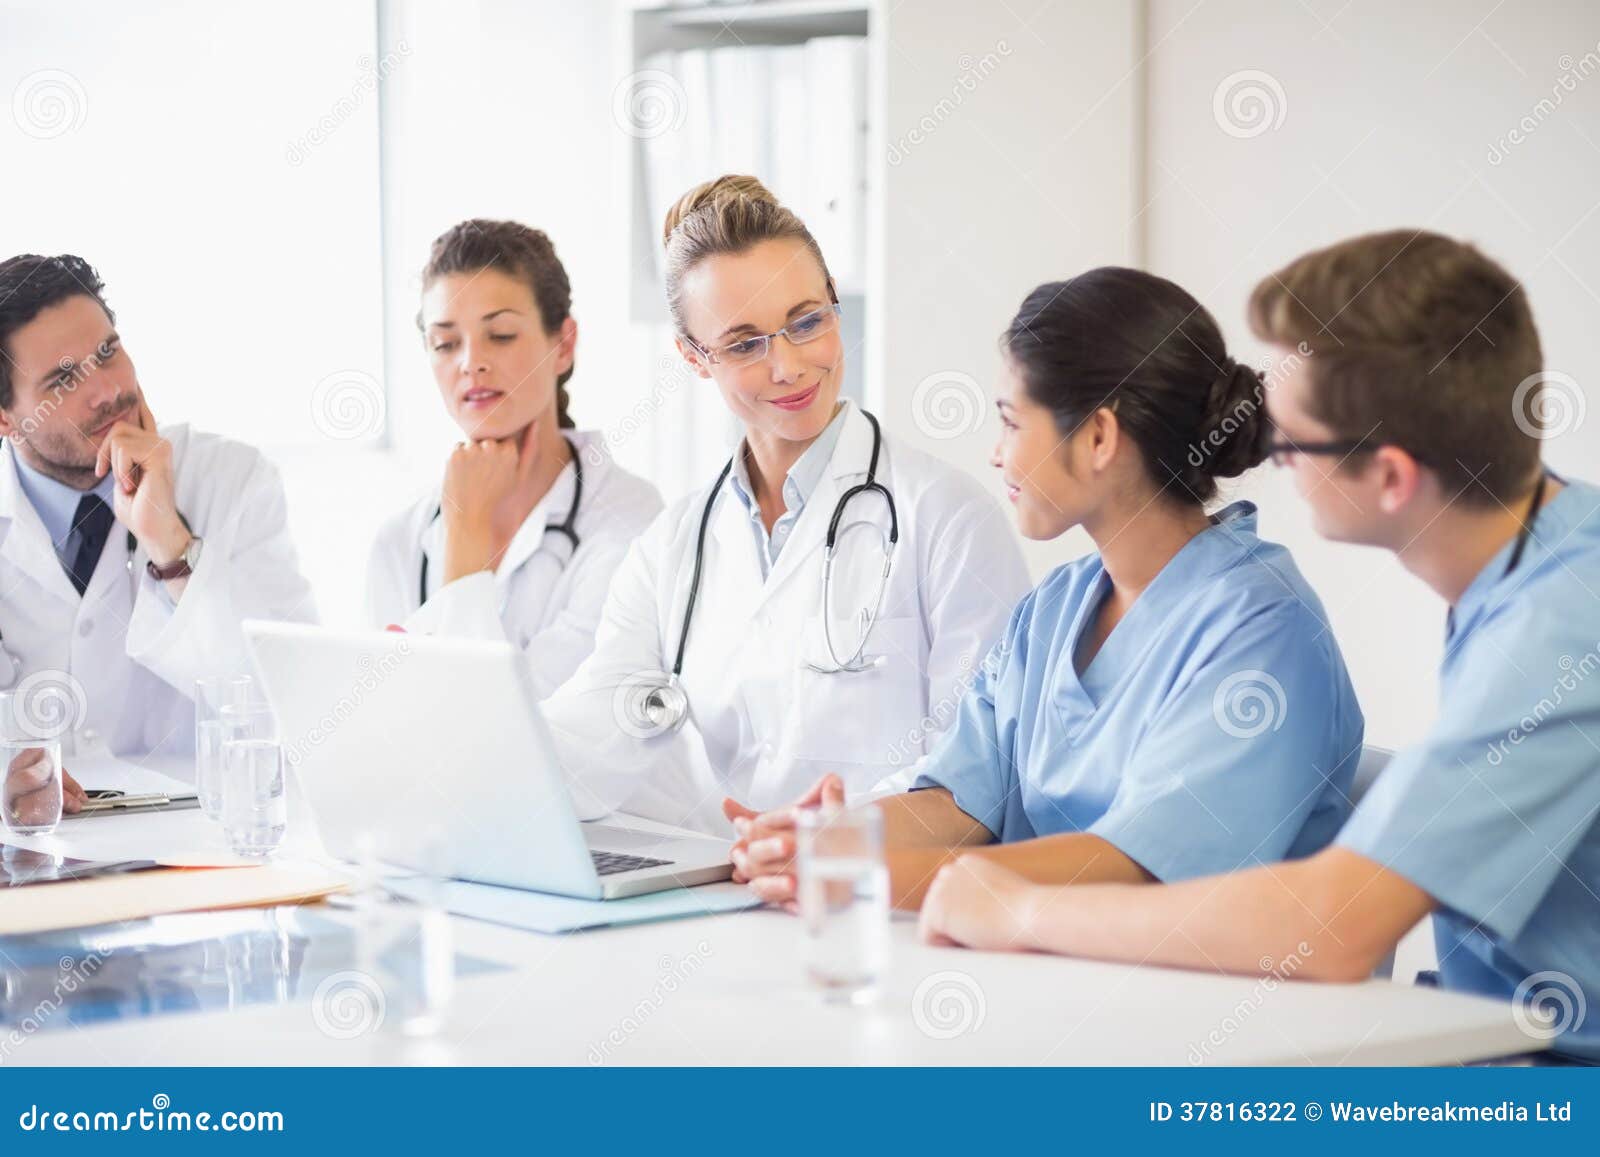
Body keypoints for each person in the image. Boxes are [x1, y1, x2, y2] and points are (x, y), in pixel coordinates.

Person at [917, 231, 1600, 1064]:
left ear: (1389, 477)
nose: (1261, 449)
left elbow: (1337, 923)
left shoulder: (1562, 624)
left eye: (1289, 438)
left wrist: (1017, 909)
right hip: (1479, 1044)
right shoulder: (1534, 563)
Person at [728, 268, 1364, 907]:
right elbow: (963, 800)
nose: (996, 454)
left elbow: (1139, 869)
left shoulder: (1264, 631)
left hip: (1210, 996)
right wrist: (830, 839)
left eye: (1010, 422)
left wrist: (869, 879)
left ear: (1097, 437)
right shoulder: (1054, 610)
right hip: (1045, 976)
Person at [541, 175, 1031, 833]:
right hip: (723, 901)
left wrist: (821, 840)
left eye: (807, 322)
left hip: (879, 911)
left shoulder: (948, 517)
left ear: (834, 306)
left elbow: (981, 777)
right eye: (744, 343)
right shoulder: (670, 547)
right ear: (693, 357)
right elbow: (592, 734)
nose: (788, 365)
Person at [0, 253, 316, 790]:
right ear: (6, 417)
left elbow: (297, 705)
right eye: (62, 380)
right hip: (31, 850)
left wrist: (172, 547)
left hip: (198, 843)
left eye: (107, 351)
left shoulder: (232, 481)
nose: (105, 390)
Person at [366, 220, 662, 693]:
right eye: (445, 343)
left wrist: (467, 535)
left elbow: (503, 725)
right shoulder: (400, 540)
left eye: (500, 335)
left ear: (563, 346)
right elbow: (383, 723)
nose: (470, 362)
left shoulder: (631, 523)